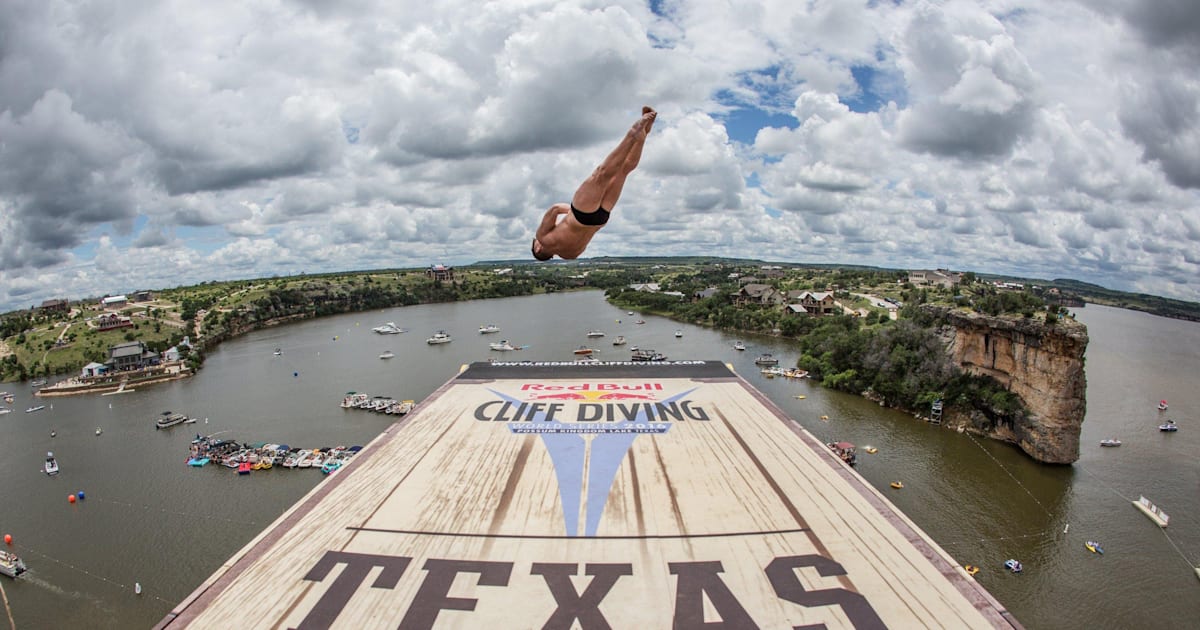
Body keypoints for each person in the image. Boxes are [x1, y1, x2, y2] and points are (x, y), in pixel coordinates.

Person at [531, 106, 657, 260]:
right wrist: (572, 211)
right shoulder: (542, 238)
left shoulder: (570, 254)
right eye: (535, 242)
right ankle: (634, 132)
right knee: (601, 174)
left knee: (624, 171)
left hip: (600, 219)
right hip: (580, 214)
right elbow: (555, 209)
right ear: (538, 248)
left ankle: (643, 135)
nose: (537, 240)